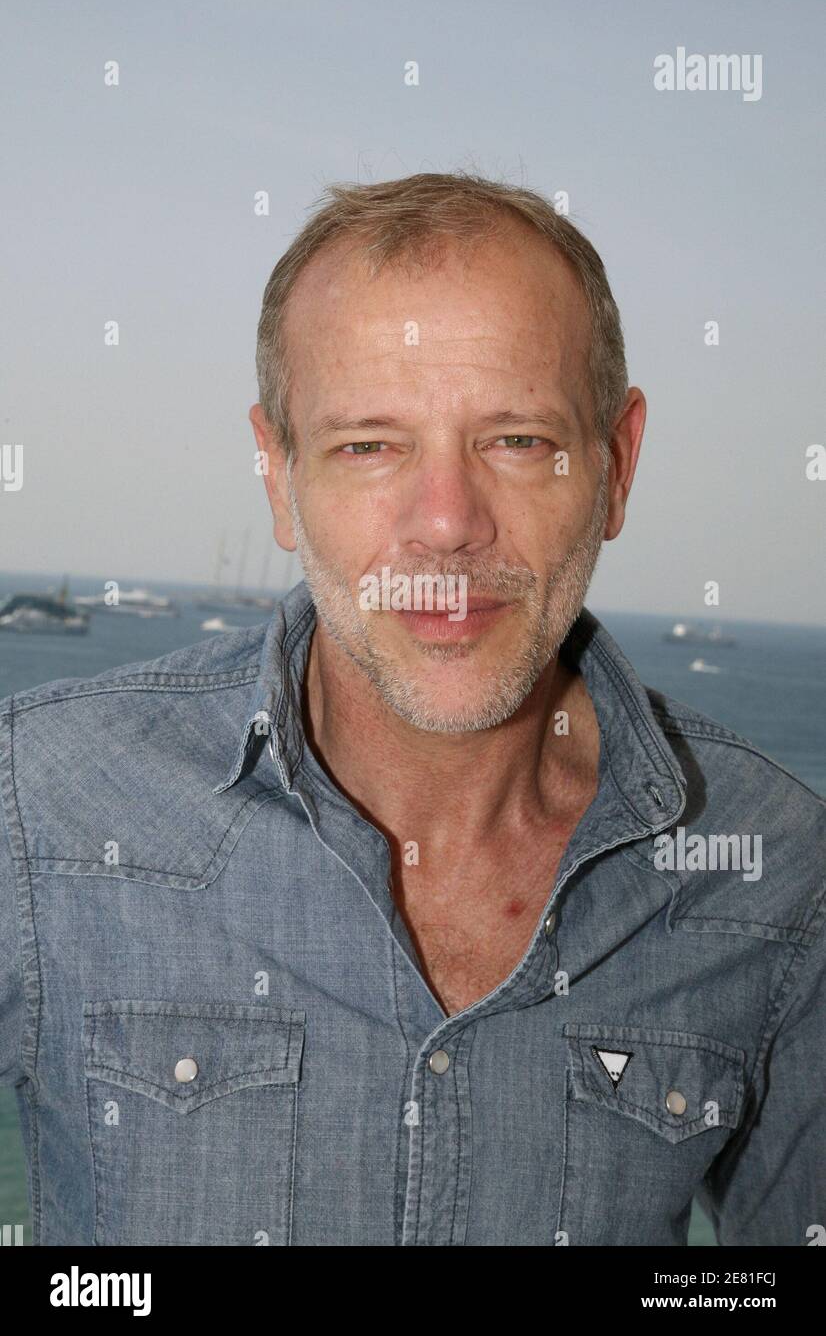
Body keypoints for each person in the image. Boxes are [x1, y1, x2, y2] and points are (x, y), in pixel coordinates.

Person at [1, 173, 823, 1246]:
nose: (445, 523)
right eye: (368, 445)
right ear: (279, 475)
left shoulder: (777, 869)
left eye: (518, 439)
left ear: (615, 466)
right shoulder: (37, 807)